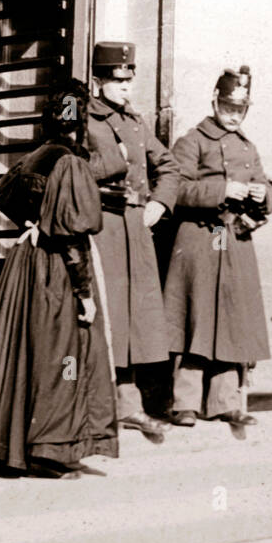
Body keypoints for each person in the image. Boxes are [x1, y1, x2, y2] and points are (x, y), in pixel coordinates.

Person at [0, 80, 118, 479]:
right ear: (80, 121)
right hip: (56, 271)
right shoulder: (70, 162)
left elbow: (1, 195)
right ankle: (50, 452)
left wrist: (33, 223)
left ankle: (8, 446)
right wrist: (85, 295)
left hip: (26, 265)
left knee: (27, 353)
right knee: (63, 354)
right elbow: (71, 235)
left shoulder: (35, 157)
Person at [163, 66, 272, 427]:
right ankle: (185, 402)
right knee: (194, 319)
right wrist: (220, 191)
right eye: (228, 107)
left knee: (232, 321)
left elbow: (269, 190)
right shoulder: (191, 141)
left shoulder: (247, 146)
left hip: (235, 240)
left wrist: (263, 195)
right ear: (215, 101)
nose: (233, 115)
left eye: (240, 110)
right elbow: (173, 189)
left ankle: (226, 401)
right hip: (198, 238)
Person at [86, 41, 181, 442]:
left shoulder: (137, 122)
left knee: (134, 320)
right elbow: (71, 167)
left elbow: (170, 166)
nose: (127, 87)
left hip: (136, 231)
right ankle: (95, 407)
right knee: (105, 315)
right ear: (98, 81)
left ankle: (129, 406)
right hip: (103, 227)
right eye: (118, 80)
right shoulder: (84, 119)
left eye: (130, 79)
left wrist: (160, 202)